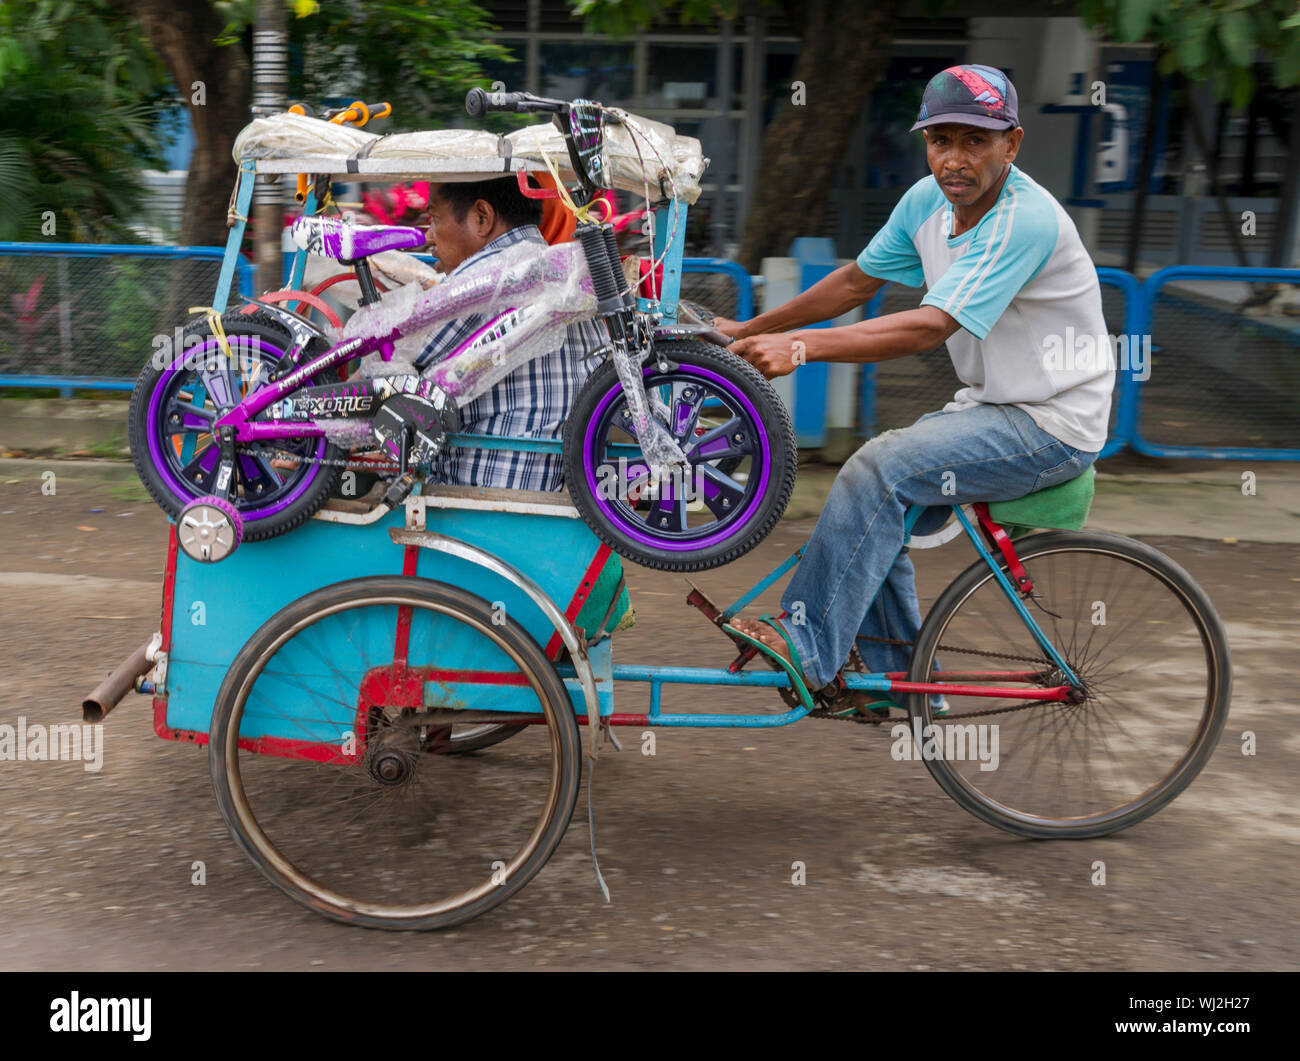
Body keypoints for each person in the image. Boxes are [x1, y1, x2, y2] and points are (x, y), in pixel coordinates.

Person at [712, 64, 1114, 710]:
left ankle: (809, 646)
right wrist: (750, 328)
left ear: (1011, 144)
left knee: (880, 468)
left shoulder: (1024, 220)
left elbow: (930, 325)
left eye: (975, 141)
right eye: (941, 140)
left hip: (1052, 424)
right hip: (994, 406)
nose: (955, 159)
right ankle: (895, 681)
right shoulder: (927, 202)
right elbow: (854, 283)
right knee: (879, 504)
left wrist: (801, 347)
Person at [415, 175, 604, 491]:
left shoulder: (488, 277)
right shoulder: (563, 270)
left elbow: (394, 363)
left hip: (471, 490)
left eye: (435, 219)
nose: (429, 236)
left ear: (482, 217)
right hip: (548, 487)